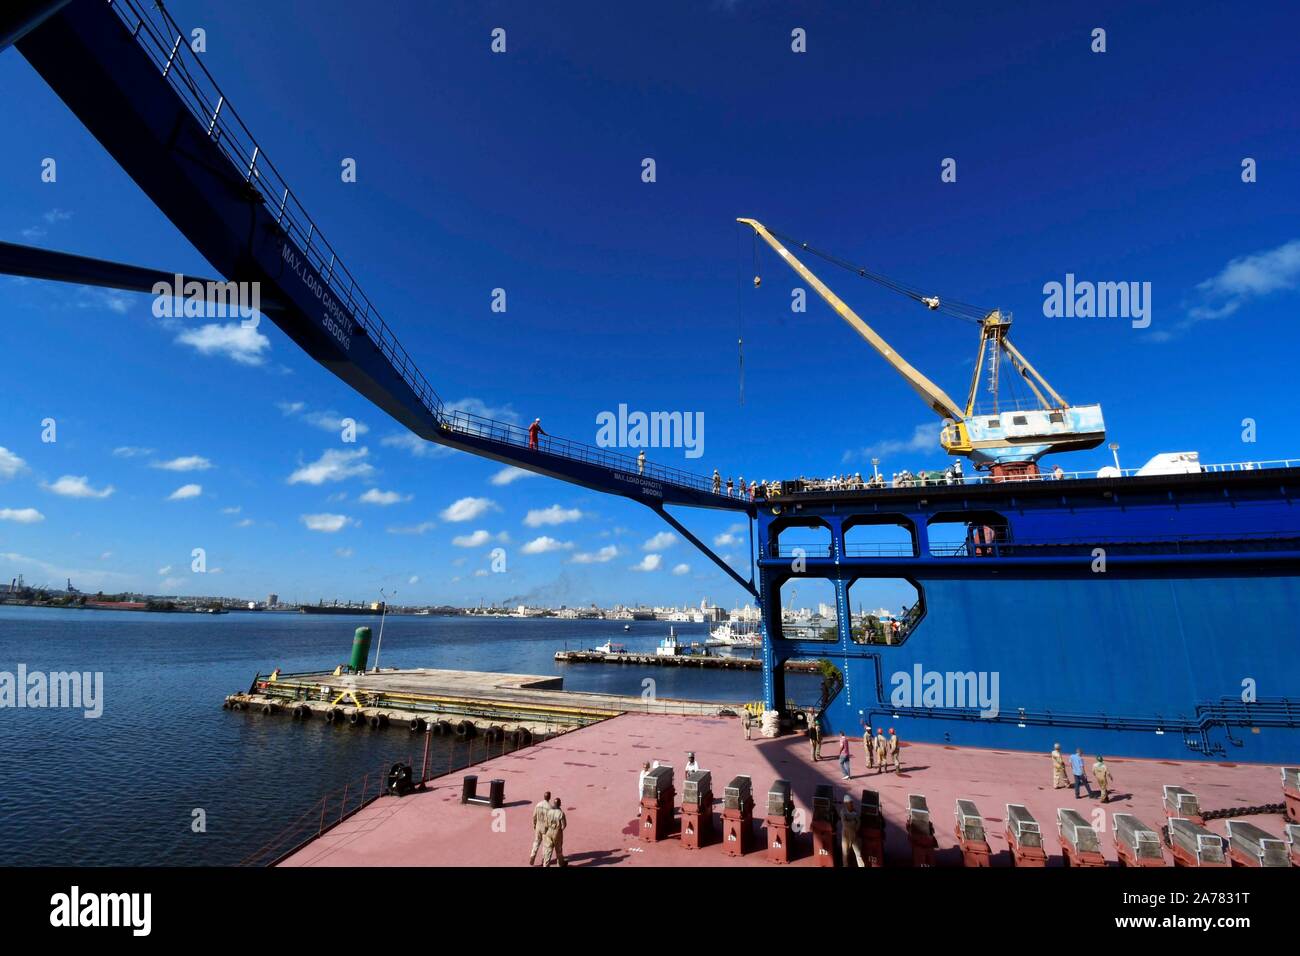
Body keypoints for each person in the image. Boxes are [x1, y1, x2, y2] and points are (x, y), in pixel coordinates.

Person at [840, 794, 866, 867]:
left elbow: (859, 823)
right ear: (845, 803)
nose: (851, 804)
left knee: (858, 854)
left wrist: (855, 827)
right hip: (845, 836)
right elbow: (845, 824)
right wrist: (853, 822)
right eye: (849, 802)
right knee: (845, 854)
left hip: (854, 835)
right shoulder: (843, 812)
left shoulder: (855, 812)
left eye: (852, 802)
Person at [528, 790, 552, 865]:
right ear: (549, 797)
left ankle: (533, 855)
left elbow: (534, 816)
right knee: (545, 844)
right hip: (545, 828)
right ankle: (544, 859)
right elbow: (550, 820)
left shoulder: (538, 804)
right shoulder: (550, 807)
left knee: (536, 841)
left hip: (538, 826)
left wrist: (534, 824)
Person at [542, 796, 567, 867]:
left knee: (548, 849)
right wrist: (560, 831)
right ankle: (560, 864)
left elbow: (546, 823)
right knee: (558, 850)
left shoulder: (549, 811)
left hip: (549, 831)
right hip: (557, 832)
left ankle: (545, 865)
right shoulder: (561, 813)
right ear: (559, 804)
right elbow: (564, 825)